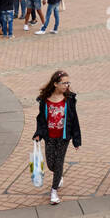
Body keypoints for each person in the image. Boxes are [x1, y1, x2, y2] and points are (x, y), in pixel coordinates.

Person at [33, 70, 82, 205]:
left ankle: (54, 191)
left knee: (59, 162)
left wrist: (76, 140)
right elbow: (41, 119)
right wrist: (38, 133)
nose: (67, 85)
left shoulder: (69, 99)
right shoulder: (44, 100)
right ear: (55, 84)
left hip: (64, 137)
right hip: (49, 136)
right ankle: (58, 175)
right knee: (51, 164)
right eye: (64, 83)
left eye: (68, 82)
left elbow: (74, 119)